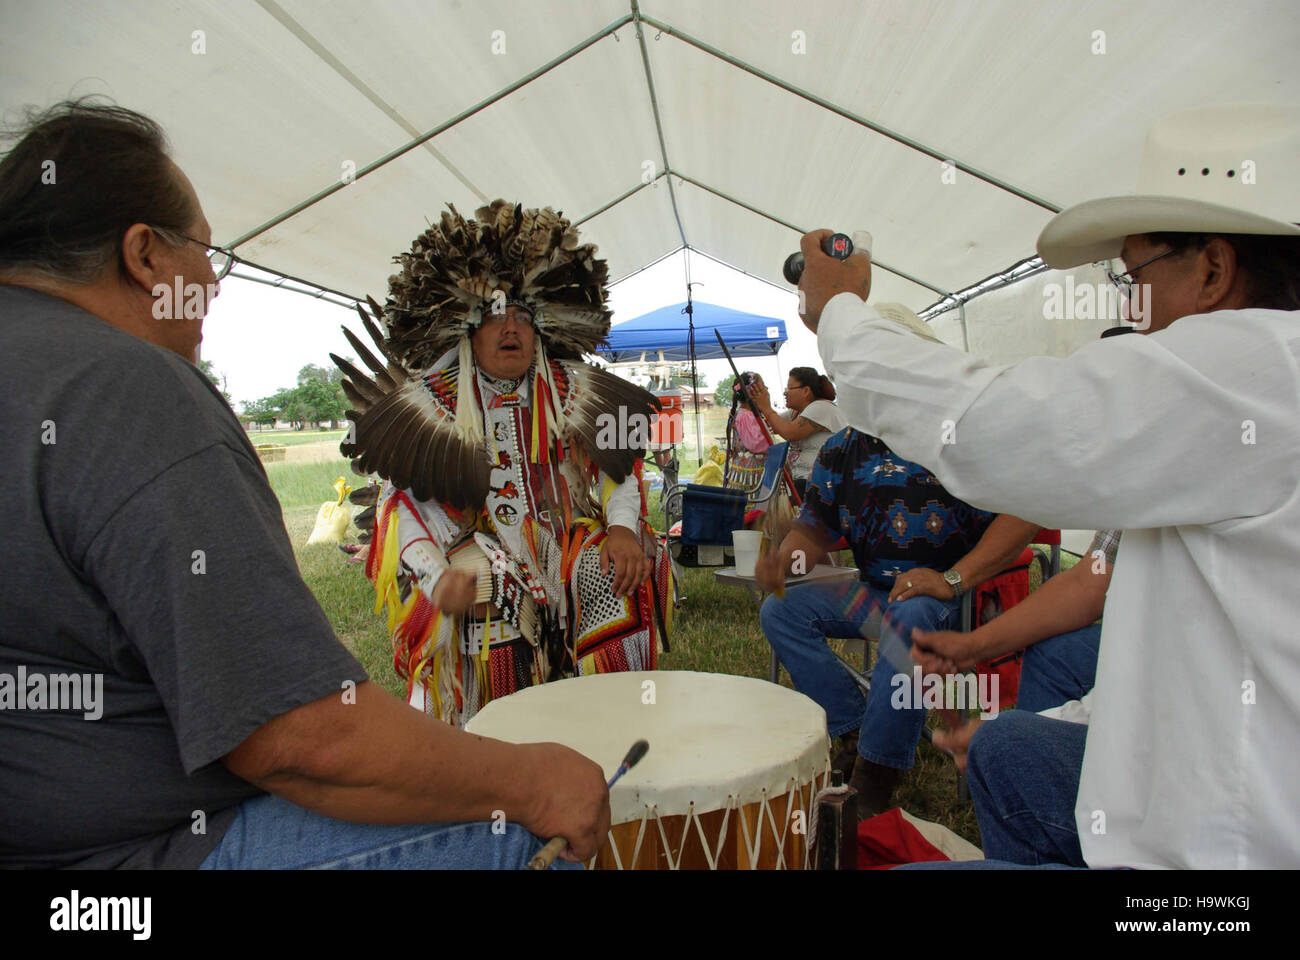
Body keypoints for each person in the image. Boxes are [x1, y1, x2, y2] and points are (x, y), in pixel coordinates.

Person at [0, 100, 606, 869]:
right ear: (145, 255)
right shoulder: (126, 388)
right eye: (205, 255)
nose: (212, 287)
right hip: (118, 867)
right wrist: (530, 779)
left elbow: (600, 475)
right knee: (524, 834)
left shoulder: (570, 392)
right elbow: (298, 737)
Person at [796, 103, 1300, 868]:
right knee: (1008, 747)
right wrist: (1007, 673)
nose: (1129, 306)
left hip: (1227, 858)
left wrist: (841, 308)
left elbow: (990, 423)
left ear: (1214, 269)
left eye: (1134, 276)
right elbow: (1127, 593)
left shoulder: (1257, 369)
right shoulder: (1232, 407)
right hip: (1218, 783)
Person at [334, 200, 672, 728]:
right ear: (470, 331)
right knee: (487, 580)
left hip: (560, 548)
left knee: (617, 570)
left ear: (539, 331)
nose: (509, 328)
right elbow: (403, 505)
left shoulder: (574, 391)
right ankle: (482, 745)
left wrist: (624, 529)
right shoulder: (433, 404)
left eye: (522, 317)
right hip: (478, 550)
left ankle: (612, 723)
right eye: (494, 316)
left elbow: (621, 468)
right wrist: (435, 575)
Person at [753, 411, 1038, 816]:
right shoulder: (841, 448)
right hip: (877, 593)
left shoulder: (956, 435)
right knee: (781, 610)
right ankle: (852, 730)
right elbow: (814, 528)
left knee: (907, 619)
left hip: (946, 599)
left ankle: (877, 774)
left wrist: (954, 578)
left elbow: (1022, 512)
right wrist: (785, 561)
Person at [744, 365, 846, 495]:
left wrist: (767, 408)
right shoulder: (796, 412)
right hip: (804, 481)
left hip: (822, 484)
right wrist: (751, 407)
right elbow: (771, 425)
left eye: (789, 388)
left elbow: (790, 432)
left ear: (806, 391)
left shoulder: (821, 407)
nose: (785, 392)